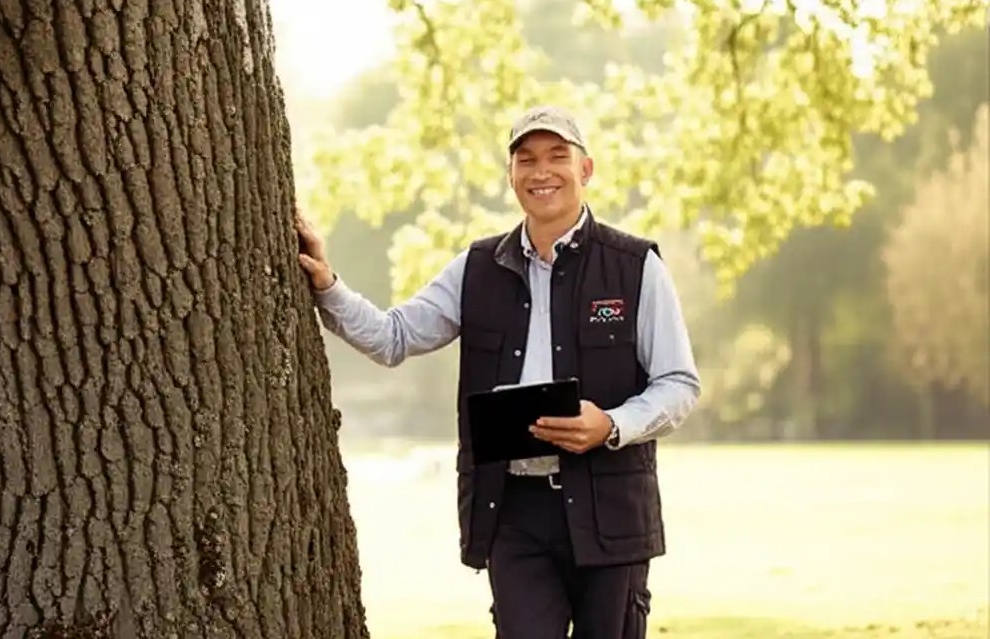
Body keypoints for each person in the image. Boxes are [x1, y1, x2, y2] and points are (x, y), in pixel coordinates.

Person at [295, 106, 701, 639]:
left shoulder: (634, 266)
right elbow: (393, 337)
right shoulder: (477, 268)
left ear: (586, 170)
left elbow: (678, 383)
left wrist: (611, 424)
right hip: (514, 512)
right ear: (511, 175)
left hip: (611, 510)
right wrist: (327, 284)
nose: (541, 172)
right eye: (526, 159)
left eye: (558, 156)